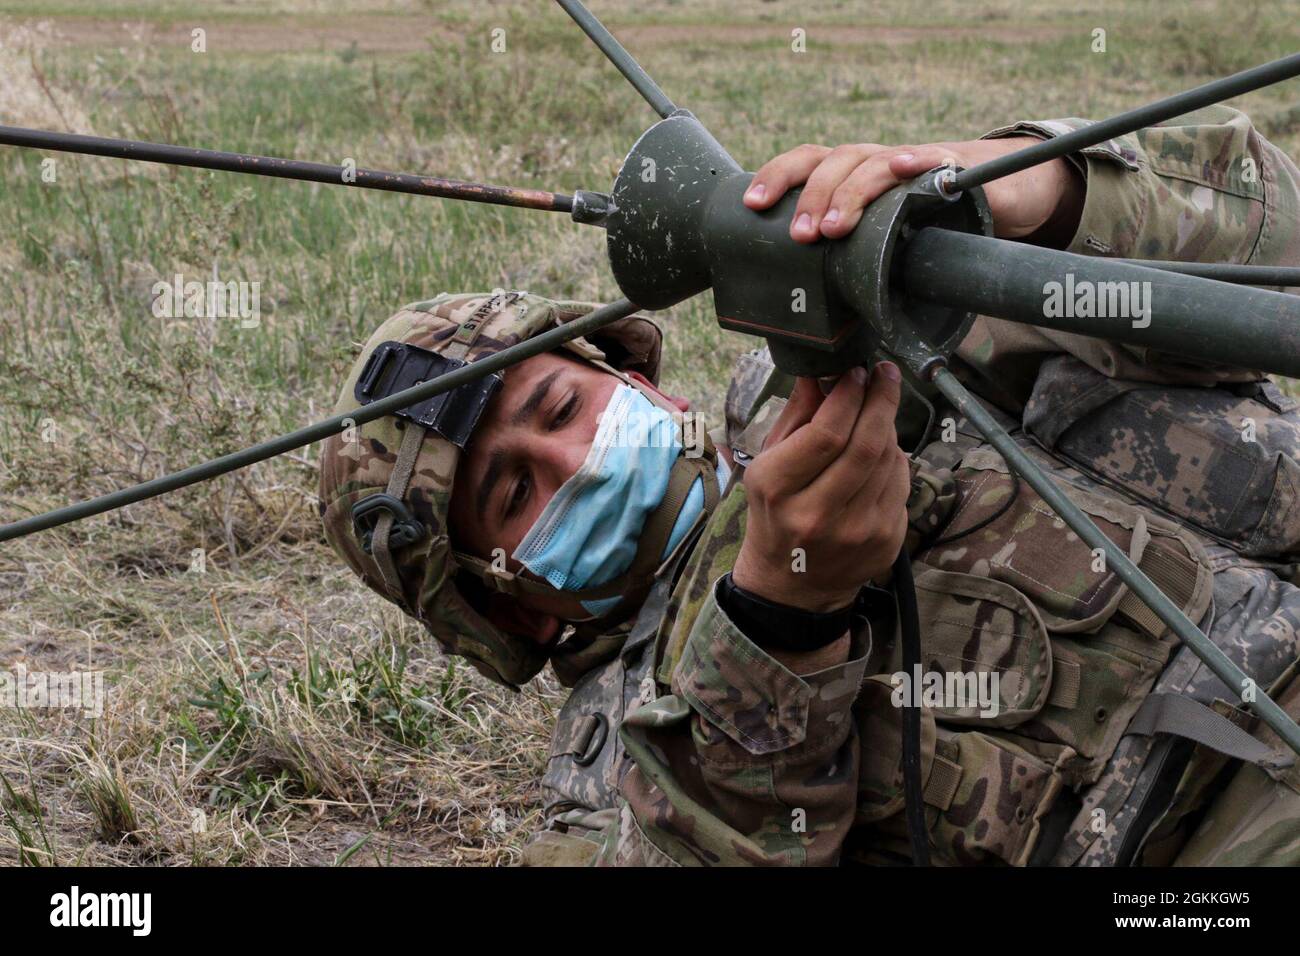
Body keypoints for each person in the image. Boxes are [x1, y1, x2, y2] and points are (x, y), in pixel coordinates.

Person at [318, 104, 1300, 866]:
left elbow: (1273, 229)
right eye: (513, 494)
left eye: (561, 409)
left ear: (630, 376)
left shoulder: (853, 363)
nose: (575, 462)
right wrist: (775, 622)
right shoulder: (609, 783)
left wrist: (1020, 192)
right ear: (508, 608)